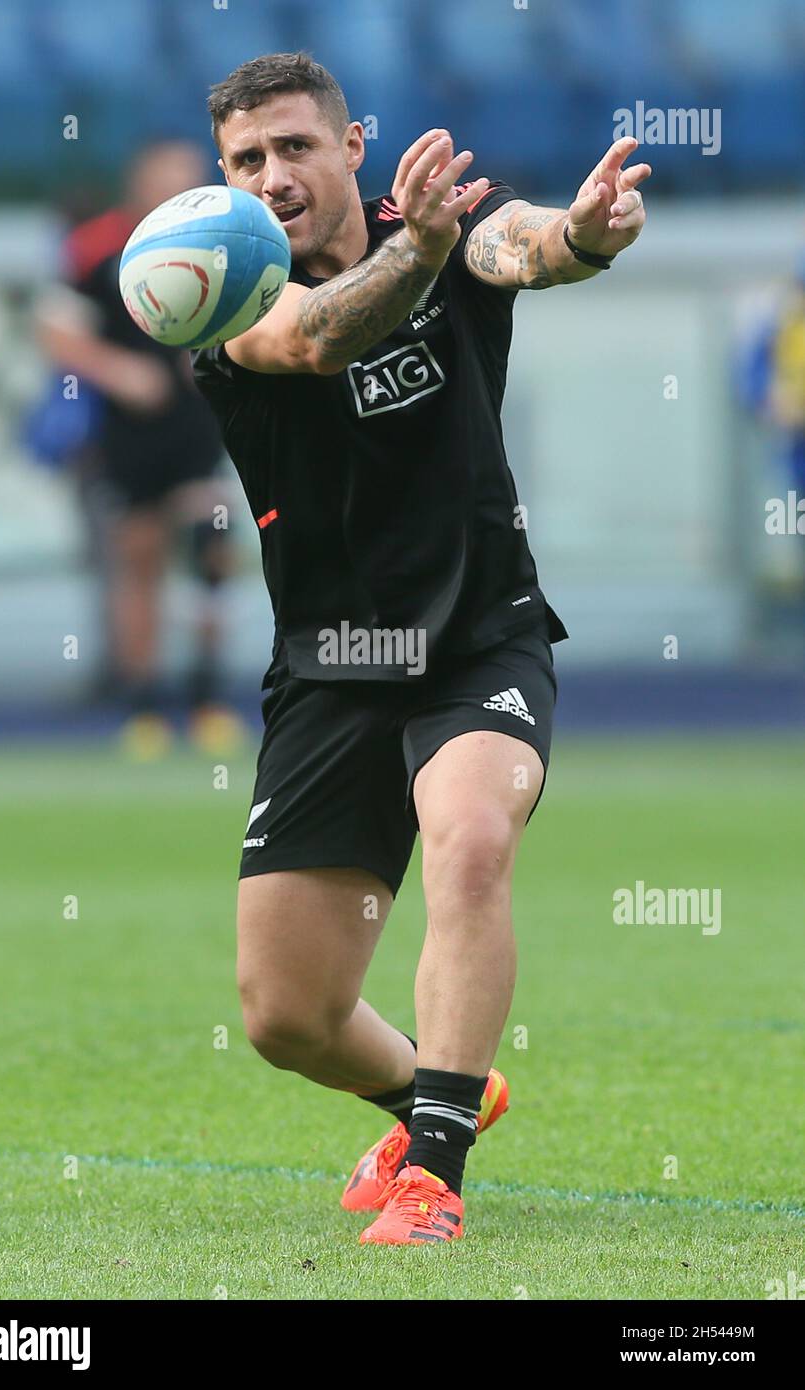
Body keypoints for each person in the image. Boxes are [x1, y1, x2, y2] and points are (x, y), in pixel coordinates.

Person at [192, 52, 649, 1244]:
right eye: (246, 158)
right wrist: (427, 252)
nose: (272, 175)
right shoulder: (228, 293)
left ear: (351, 149)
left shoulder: (446, 224)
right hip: (330, 665)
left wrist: (587, 231)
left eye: (295, 146)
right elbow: (323, 337)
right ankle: (435, 1089)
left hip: (478, 640)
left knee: (469, 836)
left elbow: (526, 245)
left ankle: (431, 1172)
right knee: (287, 1016)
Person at [38, 139, 246, 758]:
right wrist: (122, 373)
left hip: (196, 423)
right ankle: (147, 708)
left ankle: (207, 699)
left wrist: (220, 356)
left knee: (211, 545)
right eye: (165, 174)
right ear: (138, 180)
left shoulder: (221, 238)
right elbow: (56, 331)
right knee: (139, 556)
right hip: (127, 432)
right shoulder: (98, 246)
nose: (175, 185)